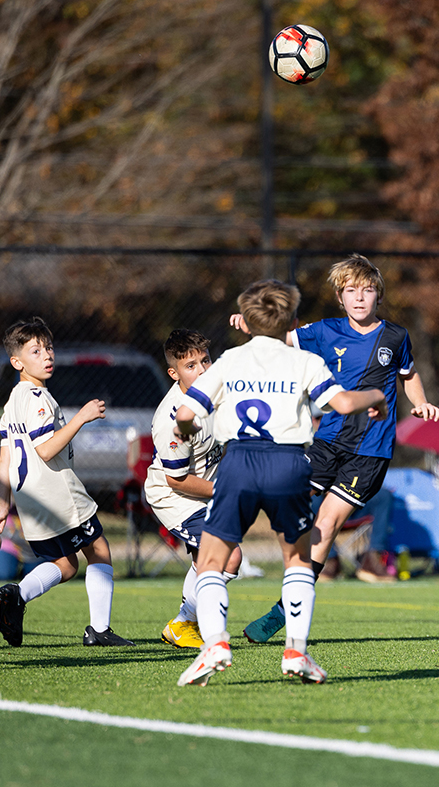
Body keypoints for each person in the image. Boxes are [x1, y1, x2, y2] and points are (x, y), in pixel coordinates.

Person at [173, 279, 387, 686]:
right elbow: (341, 404)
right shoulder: (303, 360)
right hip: (289, 464)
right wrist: (374, 396)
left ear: (247, 322)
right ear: (290, 320)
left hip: (238, 463)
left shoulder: (231, 360)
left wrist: (185, 432)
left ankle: (215, 644)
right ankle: (296, 652)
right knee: (297, 561)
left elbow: (186, 413)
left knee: (211, 563)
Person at [237, 254, 439, 643]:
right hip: (328, 441)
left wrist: (419, 401)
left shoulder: (395, 337)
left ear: (378, 296)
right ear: (340, 297)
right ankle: (287, 573)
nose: (360, 298)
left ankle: (284, 610)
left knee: (327, 523)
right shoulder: (325, 331)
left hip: (370, 451)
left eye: (368, 290)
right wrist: (252, 326)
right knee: (285, 505)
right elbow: (281, 338)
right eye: (352, 291)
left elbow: (409, 374)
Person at [0, 318, 134, 649]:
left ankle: (17, 594)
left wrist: (3, 502)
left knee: (66, 565)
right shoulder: (37, 396)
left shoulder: (12, 401)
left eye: (48, 348)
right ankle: (99, 630)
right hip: (57, 492)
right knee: (98, 549)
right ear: (17, 362)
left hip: (30, 499)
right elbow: (45, 449)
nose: (46, 355)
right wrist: (81, 417)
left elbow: (6, 459)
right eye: (35, 350)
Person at [144, 329, 241, 649]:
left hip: (206, 490)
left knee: (211, 559)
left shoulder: (219, 392)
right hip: (175, 496)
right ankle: (185, 622)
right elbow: (177, 479)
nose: (202, 371)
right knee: (228, 557)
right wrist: (224, 489)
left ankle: (185, 623)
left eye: (205, 361)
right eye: (190, 366)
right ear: (174, 373)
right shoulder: (172, 417)